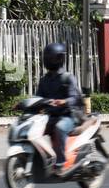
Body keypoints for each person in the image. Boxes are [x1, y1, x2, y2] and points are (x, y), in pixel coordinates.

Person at [36, 42, 84, 175]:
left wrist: (64, 101)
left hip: (68, 116)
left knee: (60, 128)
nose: (50, 61)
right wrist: (24, 104)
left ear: (60, 59)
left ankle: (61, 164)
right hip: (50, 116)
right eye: (48, 58)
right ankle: (41, 161)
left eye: (52, 58)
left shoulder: (68, 78)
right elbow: (38, 98)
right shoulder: (44, 80)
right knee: (34, 130)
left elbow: (75, 98)